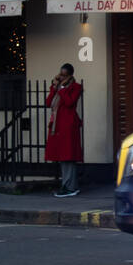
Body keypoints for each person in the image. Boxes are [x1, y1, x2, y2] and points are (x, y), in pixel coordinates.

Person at [45, 64, 83, 197]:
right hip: (57, 125)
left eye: (64, 75)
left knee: (68, 156)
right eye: (60, 75)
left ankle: (70, 186)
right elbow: (48, 102)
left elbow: (69, 102)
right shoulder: (58, 88)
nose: (61, 77)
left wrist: (62, 89)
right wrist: (54, 88)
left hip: (68, 125)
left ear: (70, 76)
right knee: (62, 157)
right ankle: (67, 185)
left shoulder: (76, 87)